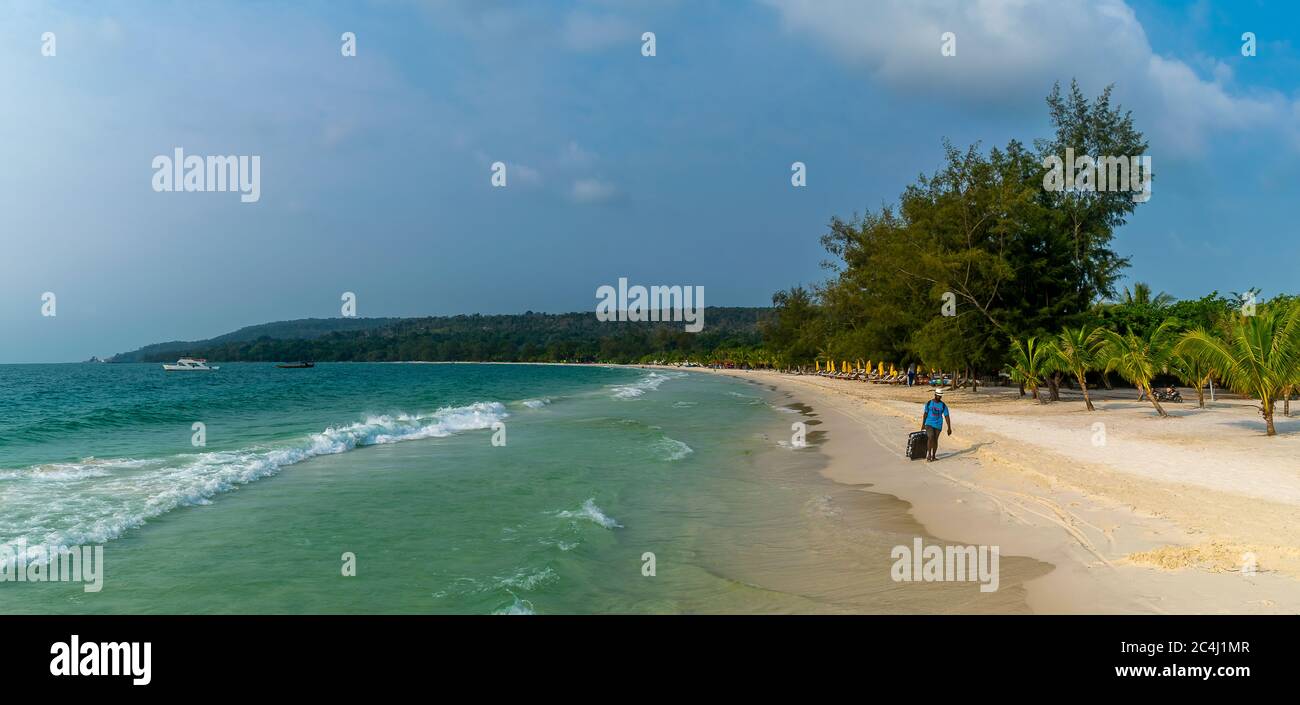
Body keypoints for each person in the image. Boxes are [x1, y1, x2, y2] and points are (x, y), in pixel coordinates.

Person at [919, 388, 952, 462]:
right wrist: (923, 424)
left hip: (938, 424)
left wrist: (949, 427)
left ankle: (933, 456)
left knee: (935, 440)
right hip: (929, 423)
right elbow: (925, 414)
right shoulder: (929, 403)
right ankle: (929, 454)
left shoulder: (943, 405)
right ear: (935, 395)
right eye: (938, 395)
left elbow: (947, 416)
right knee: (931, 436)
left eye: (940, 396)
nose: (939, 397)